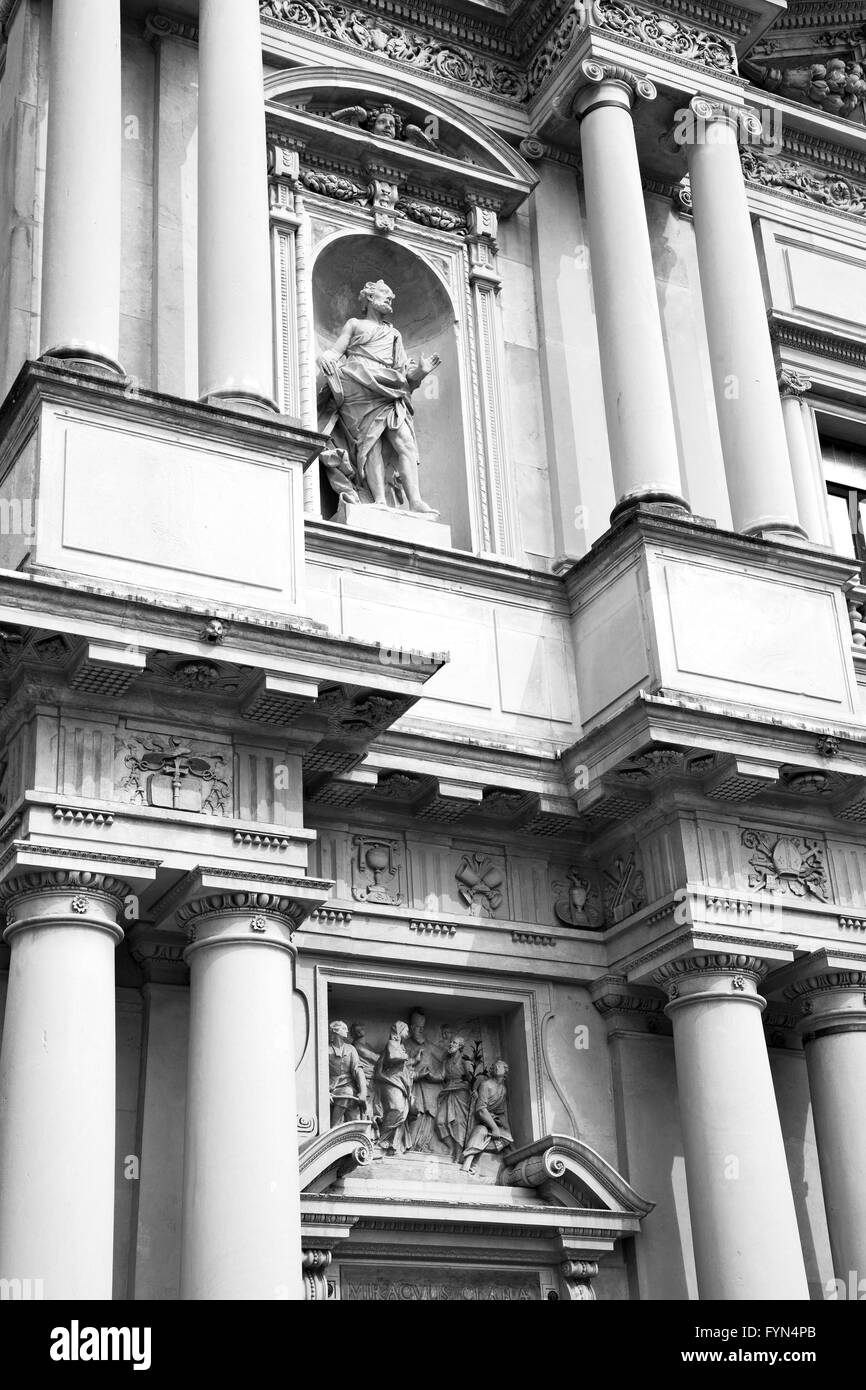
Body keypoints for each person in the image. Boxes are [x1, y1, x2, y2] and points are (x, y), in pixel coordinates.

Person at [317, 280, 440, 514]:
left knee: (405, 441)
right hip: (359, 383)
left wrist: (421, 371)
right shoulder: (355, 324)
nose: (390, 298)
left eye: (391, 296)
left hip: (389, 387)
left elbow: (404, 372)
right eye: (385, 294)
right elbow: (334, 352)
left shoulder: (393, 334)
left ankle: (415, 500)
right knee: (369, 442)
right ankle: (379, 500)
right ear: (369, 298)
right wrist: (323, 358)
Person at [460, 1060, 513, 1175]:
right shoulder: (486, 1085)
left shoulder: (503, 1090)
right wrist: (494, 1128)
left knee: (507, 1138)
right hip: (481, 1121)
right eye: (495, 1066)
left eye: (500, 1066)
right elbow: (481, 1110)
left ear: (505, 1071)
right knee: (481, 1131)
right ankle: (468, 1162)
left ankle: (480, 1150)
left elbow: (501, 1113)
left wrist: (505, 1129)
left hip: (493, 1121)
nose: (497, 1068)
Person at [404, 1008, 442, 1153]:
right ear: (411, 1028)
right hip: (413, 1087)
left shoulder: (429, 1045)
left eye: (422, 1027)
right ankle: (410, 1146)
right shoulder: (405, 1045)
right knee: (415, 1114)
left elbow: (443, 1056)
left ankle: (423, 1145)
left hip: (430, 1088)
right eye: (417, 1027)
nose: (420, 1030)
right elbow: (397, 1067)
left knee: (430, 1116)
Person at [373, 1021, 413, 1156]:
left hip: (401, 1083)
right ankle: (382, 1140)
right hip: (390, 1081)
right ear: (399, 1031)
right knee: (395, 1110)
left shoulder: (401, 1046)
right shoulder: (392, 1044)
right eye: (406, 1030)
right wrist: (404, 1057)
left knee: (402, 1113)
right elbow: (391, 1057)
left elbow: (405, 1068)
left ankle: (394, 1146)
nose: (408, 1033)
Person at [435, 1036, 474, 1161]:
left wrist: (474, 1091)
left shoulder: (464, 1060)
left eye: (454, 1043)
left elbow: (472, 1078)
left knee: (458, 1124)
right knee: (440, 1121)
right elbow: (440, 1076)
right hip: (448, 1092)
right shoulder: (446, 1061)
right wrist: (421, 1074)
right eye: (451, 1042)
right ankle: (451, 1147)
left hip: (462, 1093)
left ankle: (458, 1153)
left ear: (460, 1047)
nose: (451, 1044)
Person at [328, 1020, 367, 1127]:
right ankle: (334, 1128)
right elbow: (319, 1075)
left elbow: (358, 1070)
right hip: (333, 1087)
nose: (347, 1031)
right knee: (346, 1093)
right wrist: (324, 1094)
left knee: (355, 1118)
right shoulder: (326, 1050)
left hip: (350, 1086)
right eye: (344, 1028)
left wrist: (363, 1092)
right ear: (336, 1031)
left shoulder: (350, 1049)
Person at [349, 1022, 381, 1127]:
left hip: (373, 1077)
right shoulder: (356, 1046)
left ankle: (373, 1125)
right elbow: (374, 1057)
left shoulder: (367, 1045)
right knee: (367, 1103)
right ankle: (366, 1128)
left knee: (372, 1102)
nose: (359, 1031)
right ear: (352, 1034)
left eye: (361, 1028)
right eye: (356, 1030)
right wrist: (390, 1054)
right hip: (365, 1078)